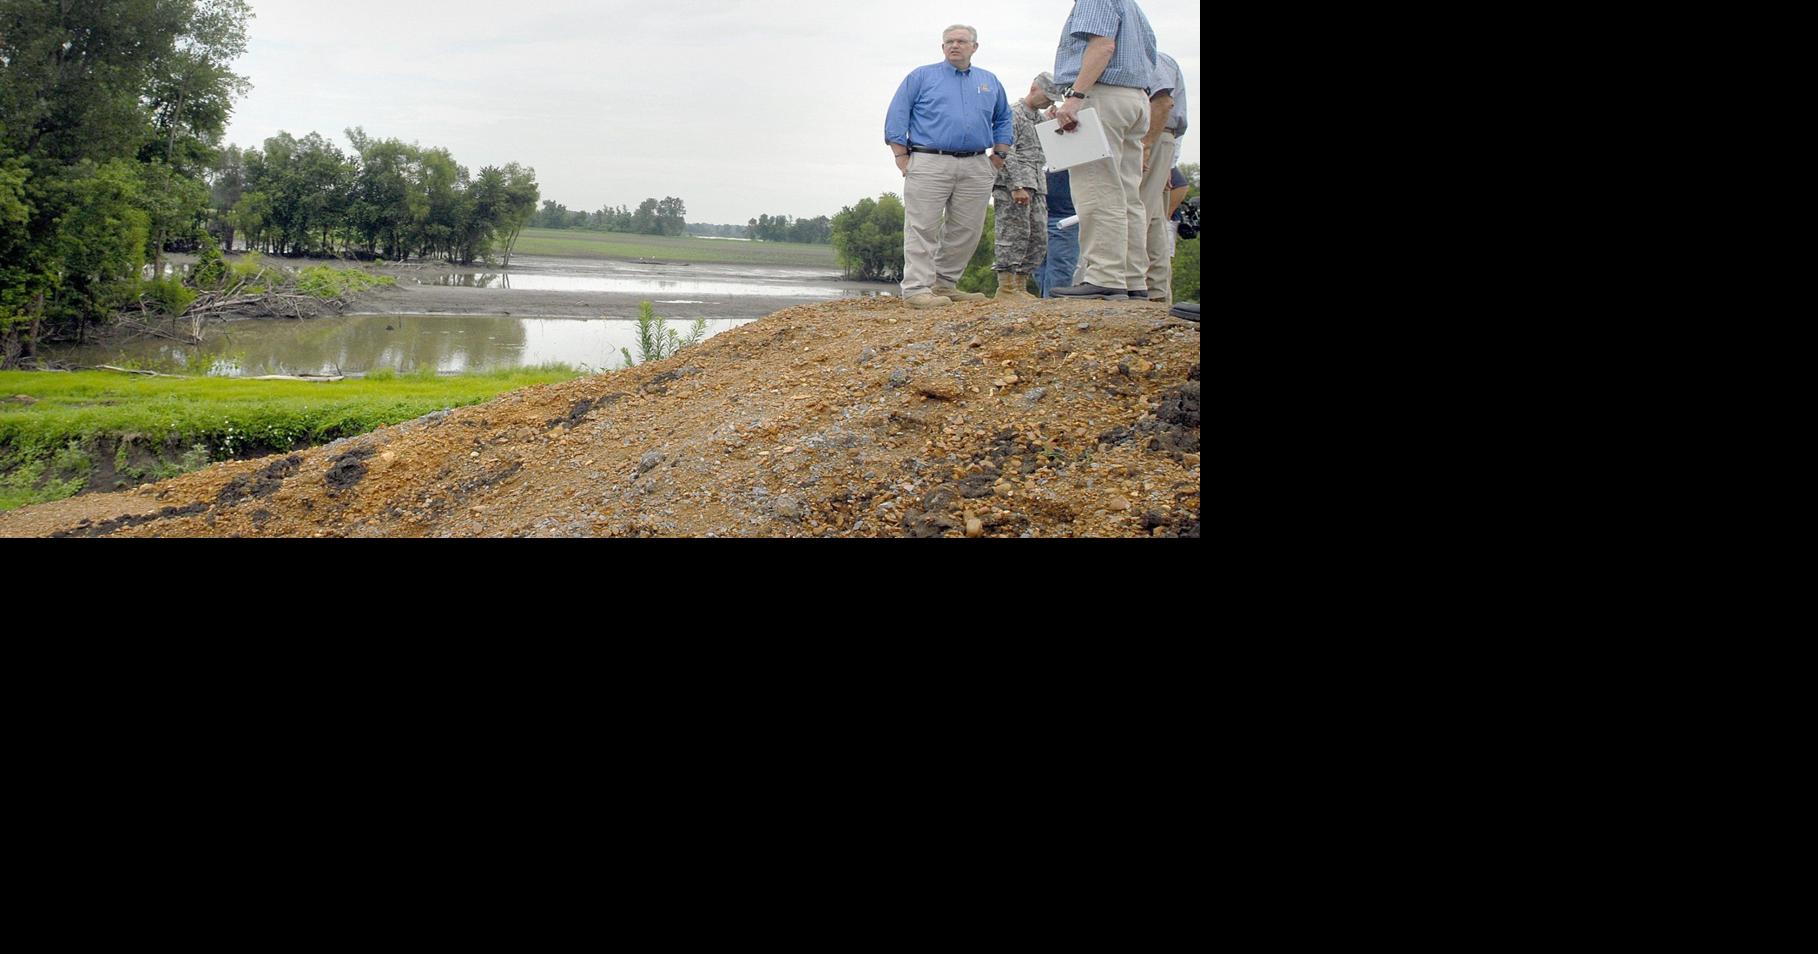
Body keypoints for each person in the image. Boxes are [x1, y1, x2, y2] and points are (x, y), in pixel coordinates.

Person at [884, 24, 1014, 309]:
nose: (955, 46)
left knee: (967, 229)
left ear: (974, 47)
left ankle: (944, 284)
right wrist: (900, 156)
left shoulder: (989, 81)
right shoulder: (921, 77)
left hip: (977, 163)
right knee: (923, 226)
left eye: (961, 41)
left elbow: (1004, 118)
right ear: (942, 47)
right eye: (949, 42)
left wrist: (999, 154)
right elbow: (897, 115)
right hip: (929, 160)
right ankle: (917, 290)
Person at [1047, 0, 1158, 301]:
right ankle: (1133, 278)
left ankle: (1104, 276)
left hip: (1102, 95)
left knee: (1097, 187)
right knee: (1127, 194)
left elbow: (1103, 46)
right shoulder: (1133, 7)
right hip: (1135, 98)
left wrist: (1075, 96)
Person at [992, 73, 1060, 300]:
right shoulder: (1012, 114)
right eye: (1048, 96)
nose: (1050, 102)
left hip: (1037, 182)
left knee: (1037, 236)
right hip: (1015, 181)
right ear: (1034, 88)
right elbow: (1005, 151)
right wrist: (1015, 185)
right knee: (1013, 234)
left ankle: (1020, 285)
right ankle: (1007, 287)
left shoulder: (1040, 120)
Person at [1138, 51, 1186, 303]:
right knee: (1154, 217)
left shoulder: (1152, 58)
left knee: (1139, 212)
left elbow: (1164, 102)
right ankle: (1156, 293)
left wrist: (1147, 144)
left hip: (1152, 135)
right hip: (1160, 138)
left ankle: (1132, 285)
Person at [1037, 168, 1079, 297]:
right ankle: (1046, 306)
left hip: (1065, 214)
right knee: (1038, 268)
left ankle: (1054, 304)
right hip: (1038, 210)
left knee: (1060, 267)